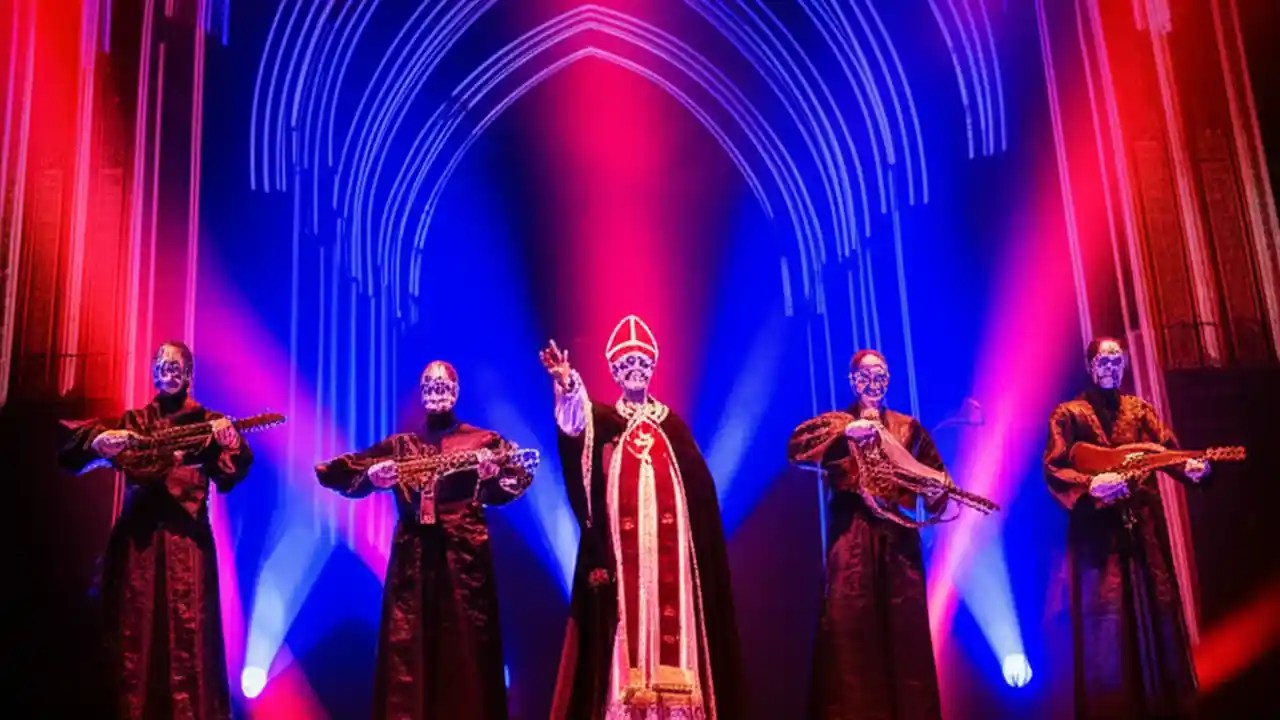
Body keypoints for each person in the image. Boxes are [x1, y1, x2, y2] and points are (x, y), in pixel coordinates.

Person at [542, 315, 743, 719]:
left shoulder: (674, 429)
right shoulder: (604, 421)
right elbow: (574, 421)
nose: (635, 369)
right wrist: (567, 384)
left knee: (676, 625)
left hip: (674, 567)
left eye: (641, 362)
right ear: (615, 371)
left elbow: (699, 497)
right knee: (623, 632)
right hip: (622, 560)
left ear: (652, 368)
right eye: (626, 363)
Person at [315, 360, 534, 720]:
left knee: (464, 650)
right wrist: (374, 475)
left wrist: (492, 475)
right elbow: (341, 471)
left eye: (444, 386)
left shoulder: (481, 441)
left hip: (464, 561)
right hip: (413, 561)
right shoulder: (402, 446)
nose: (437, 393)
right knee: (410, 652)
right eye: (430, 387)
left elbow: (512, 480)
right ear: (422, 394)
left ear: (456, 391)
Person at [57, 341, 253, 720]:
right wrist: (99, 444)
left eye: (176, 367)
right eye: (162, 365)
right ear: (152, 371)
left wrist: (233, 445)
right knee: (135, 637)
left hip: (187, 546)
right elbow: (75, 447)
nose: (168, 372)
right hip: (140, 547)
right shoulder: (135, 423)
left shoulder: (206, 423)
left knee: (188, 638)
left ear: (189, 375)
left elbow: (230, 472)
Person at [1043, 337, 1208, 719]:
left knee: (1158, 613)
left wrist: (1192, 468)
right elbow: (1054, 468)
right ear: (1089, 365)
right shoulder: (1069, 414)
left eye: (1118, 359)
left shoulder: (1139, 410)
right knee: (1107, 626)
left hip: (1143, 529)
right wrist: (1090, 485)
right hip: (1098, 538)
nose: (1111, 366)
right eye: (1104, 359)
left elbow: (1168, 450)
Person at [786, 349, 948, 720]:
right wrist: (845, 432)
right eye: (865, 376)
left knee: (904, 637)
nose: (873, 383)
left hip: (898, 541)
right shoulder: (837, 423)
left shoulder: (908, 427)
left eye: (880, 376)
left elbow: (938, 480)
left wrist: (938, 490)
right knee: (850, 633)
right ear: (852, 381)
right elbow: (796, 448)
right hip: (852, 539)